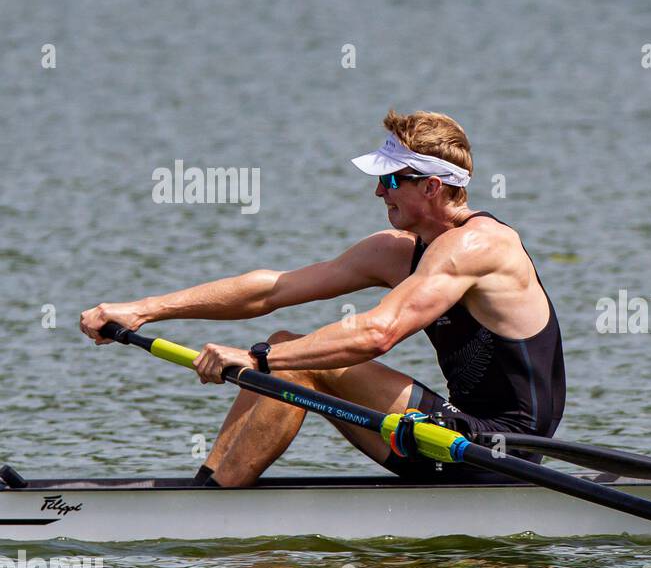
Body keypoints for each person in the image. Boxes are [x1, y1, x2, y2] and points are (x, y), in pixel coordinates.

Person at [80, 110, 565, 486]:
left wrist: (256, 359)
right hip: (452, 436)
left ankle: (210, 511)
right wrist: (143, 309)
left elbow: (378, 333)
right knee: (284, 342)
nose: (379, 191)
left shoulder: (479, 247)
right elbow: (271, 290)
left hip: (501, 452)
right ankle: (210, 487)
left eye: (392, 180)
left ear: (433, 186)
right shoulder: (397, 252)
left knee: (291, 362)